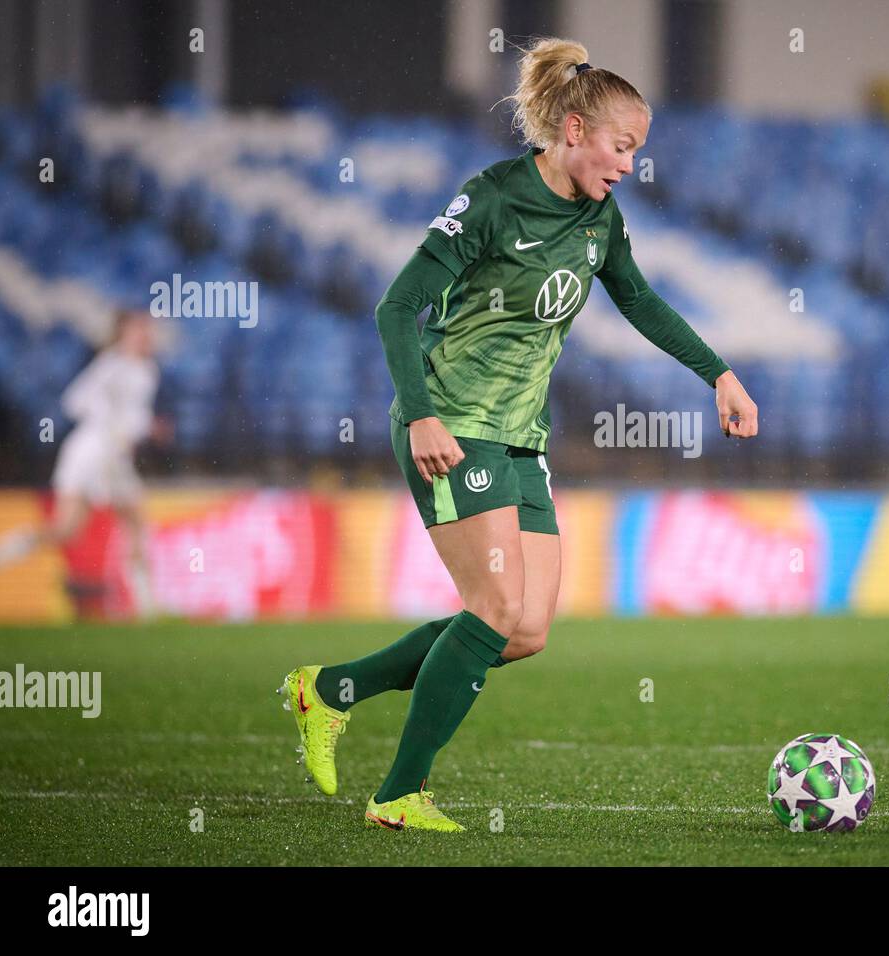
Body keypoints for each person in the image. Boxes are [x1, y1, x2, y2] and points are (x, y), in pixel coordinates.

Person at [279, 37, 759, 832]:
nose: (628, 165)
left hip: (519, 437)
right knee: (495, 606)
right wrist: (422, 411)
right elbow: (396, 307)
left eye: (637, 150)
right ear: (573, 130)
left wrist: (720, 374)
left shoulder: (600, 217)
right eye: (621, 145)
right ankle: (398, 795)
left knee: (525, 629)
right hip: (451, 425)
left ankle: (328, 691)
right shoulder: (492, 199)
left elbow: (637, 300)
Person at [0, 309, 163, 617]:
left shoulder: (142, 369)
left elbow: (130, 416)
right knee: (116, 522)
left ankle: (147, 606)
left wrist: (139, 425)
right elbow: (75, 401)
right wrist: (114, 423)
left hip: (106, 454)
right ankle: (147, 607)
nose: (145, 335)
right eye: (139, 329)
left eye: (147, 329)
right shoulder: (113, 366)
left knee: (76, 527)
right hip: (92, 452)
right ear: (123, 333)